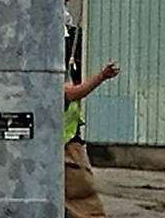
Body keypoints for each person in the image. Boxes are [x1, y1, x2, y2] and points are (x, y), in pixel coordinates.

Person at [64, 22, 120, 218]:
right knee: (83, 202)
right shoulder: (54, 64)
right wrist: (101, 77)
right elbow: (70, 93)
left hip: (66, 140)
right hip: (64, 145)